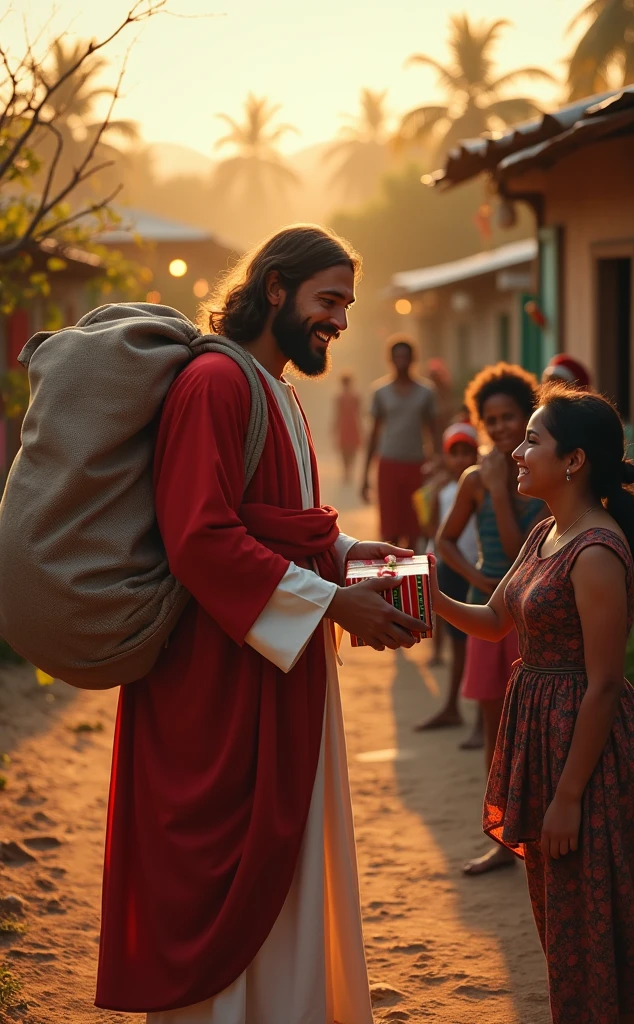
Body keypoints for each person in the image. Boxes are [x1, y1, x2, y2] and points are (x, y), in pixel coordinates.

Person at [95, 225, 430, 1024]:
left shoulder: (273, 386)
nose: (342, 321)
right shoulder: (215, 383)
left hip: (273, 671)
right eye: (329, 301)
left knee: (288, 863)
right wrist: (328, 602)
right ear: (274, 288)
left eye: (347, 305)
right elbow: (199, 537)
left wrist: (347, 552)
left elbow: (280, 522)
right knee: (227, 870)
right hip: (218, 682)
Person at [432, 382, 634, 1024]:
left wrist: (568, 796)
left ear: (573, 461)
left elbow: (602, 683)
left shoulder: (594, 551)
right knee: (561, 919)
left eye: (531, 439)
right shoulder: (547, 533)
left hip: (589, 754)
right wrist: (423, 591)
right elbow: (491, 622)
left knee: (591, 926)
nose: (514, 451)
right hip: (545, 735)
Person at [436, 363, 545, 875]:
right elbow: (444, 541)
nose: (502, 428)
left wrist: (503, 491)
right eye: (493, 419)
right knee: (497, 733)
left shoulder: (538, 476)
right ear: (481, 422)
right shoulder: (474, 479)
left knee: (540, 730)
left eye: (512, 418)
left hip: (536, 615)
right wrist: (480, 584)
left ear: (528, 419)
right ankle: (503, 841)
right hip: (491, 614)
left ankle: (545, 838)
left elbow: (516, 546)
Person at [416, 421, 480, 736]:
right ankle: (453, 706)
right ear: (446, 456)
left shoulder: (481, 486)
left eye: (467, 451)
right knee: (458, 641)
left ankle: (481, 718)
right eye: (454, 453)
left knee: (479, 644)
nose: (461, 459)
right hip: (450, 566)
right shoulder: (442, 491)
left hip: (476, 569)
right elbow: (434, 530)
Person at [361, 335, 441, 550]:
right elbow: (373, 435)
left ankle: (411, 580)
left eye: (405, 356)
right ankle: (390, 578)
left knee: (415, 529)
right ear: (390, 359)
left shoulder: (426, 392)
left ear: (413, 359)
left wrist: (438, 466)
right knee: (390, 530)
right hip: (388, 465)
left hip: (417, 465)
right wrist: (365, 475)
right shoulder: (380, 392)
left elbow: (434, 433)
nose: (401, 360)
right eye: (397, 356)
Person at [332, 371, 362, 484]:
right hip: (348, 425)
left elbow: (358, 413)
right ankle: (347, 471)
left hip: (348, 425)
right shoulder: (343, 397)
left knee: (349, 449)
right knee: (347, 449)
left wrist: (335, 427)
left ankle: (348, 471)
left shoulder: (352, 397)